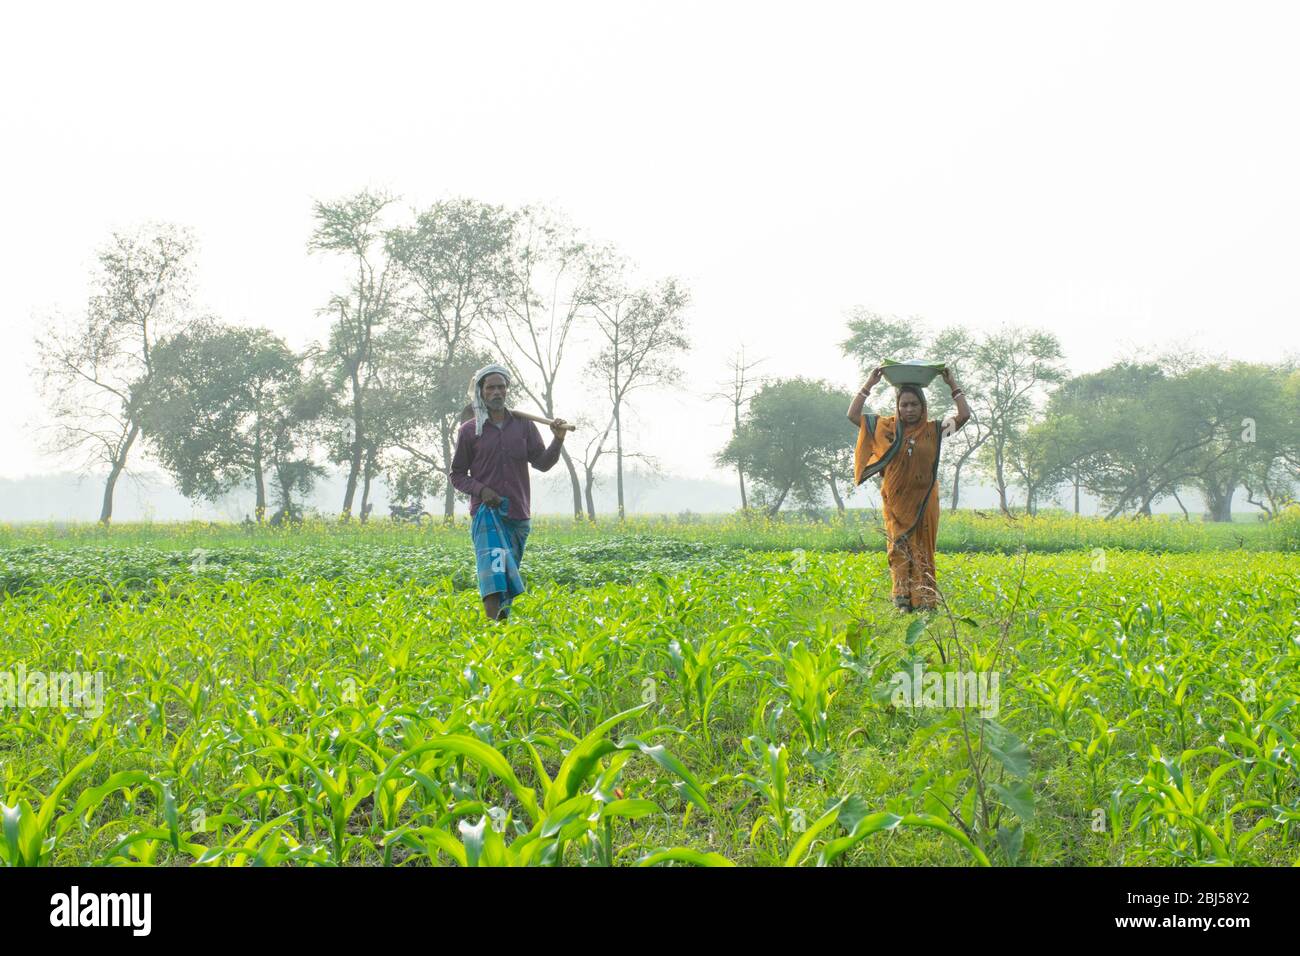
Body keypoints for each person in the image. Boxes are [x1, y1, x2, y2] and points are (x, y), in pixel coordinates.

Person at [450, 363, 569, 621]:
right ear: (481, 392)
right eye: (491, 387)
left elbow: (543, 463)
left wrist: (557, 439)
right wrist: (482, 491)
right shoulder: (470, 431)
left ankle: (503, 625)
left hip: (517, 513)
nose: (496, 392)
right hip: (487, 514)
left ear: (507, 390)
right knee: (492, 571)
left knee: (507, 574)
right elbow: (457, 475)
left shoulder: (524, 426)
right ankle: (493, 632)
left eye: (501, 387)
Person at [847, 366, 970, 612]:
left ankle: (924, 601)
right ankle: (902, 600)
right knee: (899, 548)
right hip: (896, 502)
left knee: (924, 548)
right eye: (904, 405)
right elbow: (853, 415)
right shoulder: (887, 429)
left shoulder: (934, 430)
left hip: (925, 501)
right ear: (897, 407)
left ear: (923, 407)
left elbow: (964, 416)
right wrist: (869, 383)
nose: (909, 410)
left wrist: (952, 384)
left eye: (914, 404)